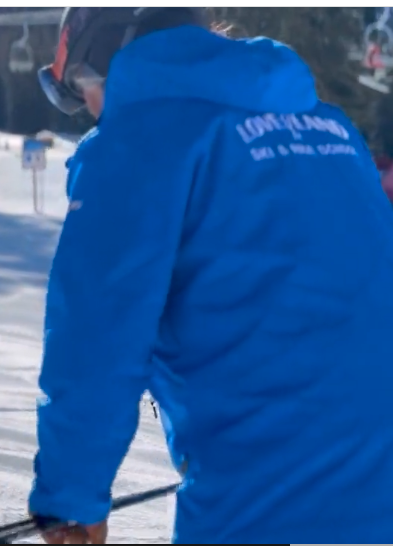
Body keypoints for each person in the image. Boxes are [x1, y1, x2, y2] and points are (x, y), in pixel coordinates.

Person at [29, 7, 393, 544]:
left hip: (266, 492)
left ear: (116, 53)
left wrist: (71, 495)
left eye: (81, 81)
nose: (87, 104)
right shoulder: (331, 128)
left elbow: (98, 334)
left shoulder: (136, 142)